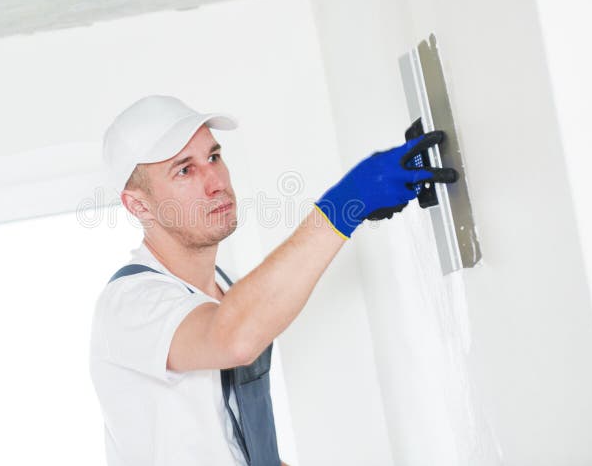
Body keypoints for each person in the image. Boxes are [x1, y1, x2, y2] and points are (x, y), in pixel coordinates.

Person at [89, 95, 457, 466]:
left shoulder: (225, 290)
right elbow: (232, 338)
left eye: (214, 157)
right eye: (184, 170)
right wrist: (349, 200)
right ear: (138, 205)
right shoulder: (128, 304)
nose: (215, 182)